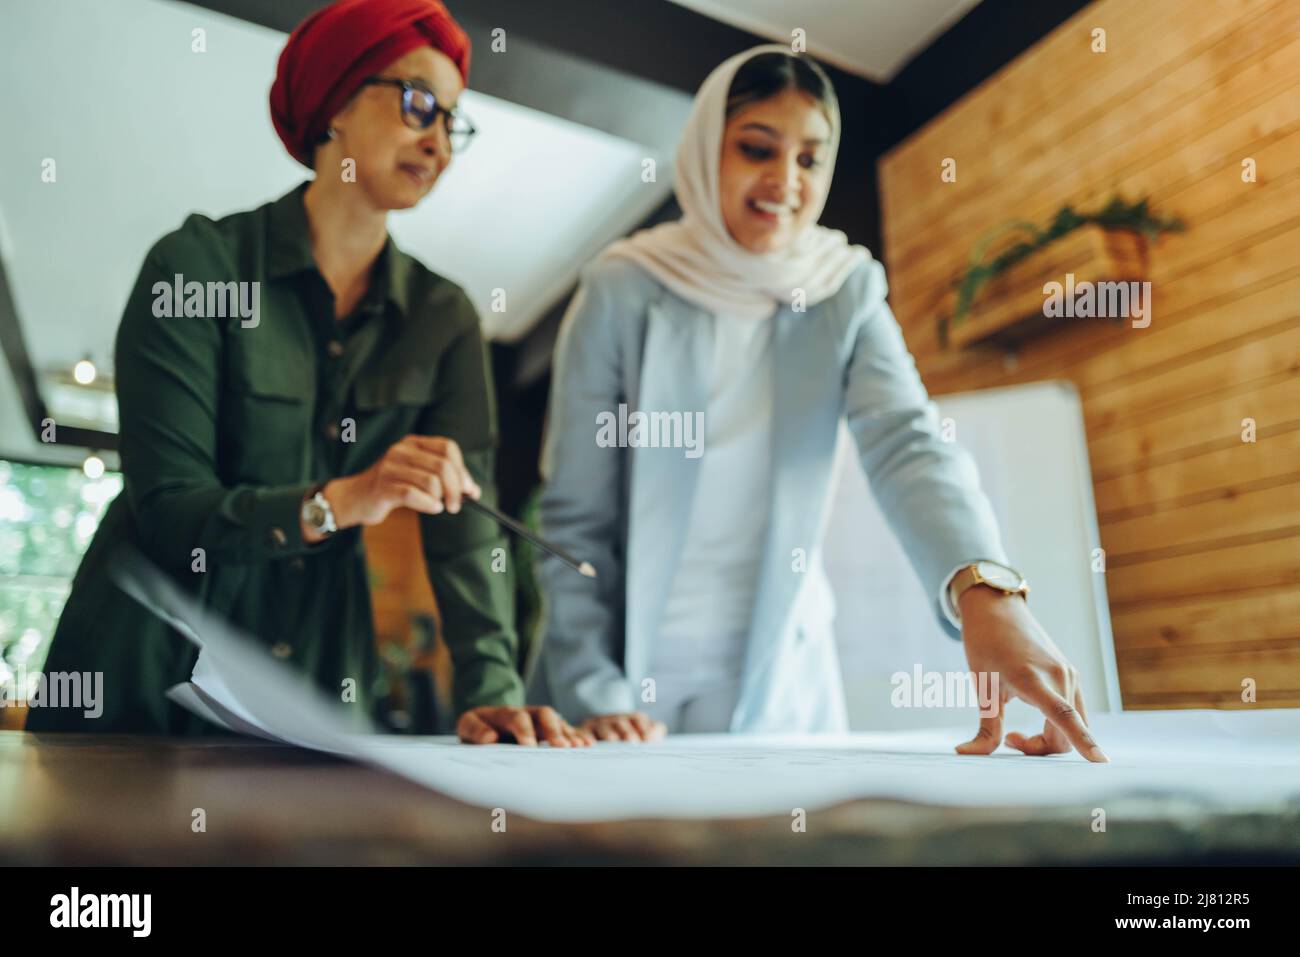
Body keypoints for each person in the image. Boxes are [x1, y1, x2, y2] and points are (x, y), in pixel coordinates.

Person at [29, 0, 590, 747]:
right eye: (420, 105)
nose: (440, 144)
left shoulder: (444, 317)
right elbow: (169, 511)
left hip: (317, 675)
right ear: (336, 103)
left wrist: (492, 690)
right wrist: (342, 500)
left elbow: (465, 525)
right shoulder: (196, 268)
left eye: (453, 123)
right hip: (145, 663)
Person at [530, 45, 1107, 762]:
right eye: (756, 148)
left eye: (809, 159)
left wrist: (989, 593)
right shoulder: (622, 288)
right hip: (617, 678)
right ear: (707, 148)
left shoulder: (843, 287)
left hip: (778, 682)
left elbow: (906, 441)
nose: (784, 180)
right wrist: (595, 690)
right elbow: (572, 525)